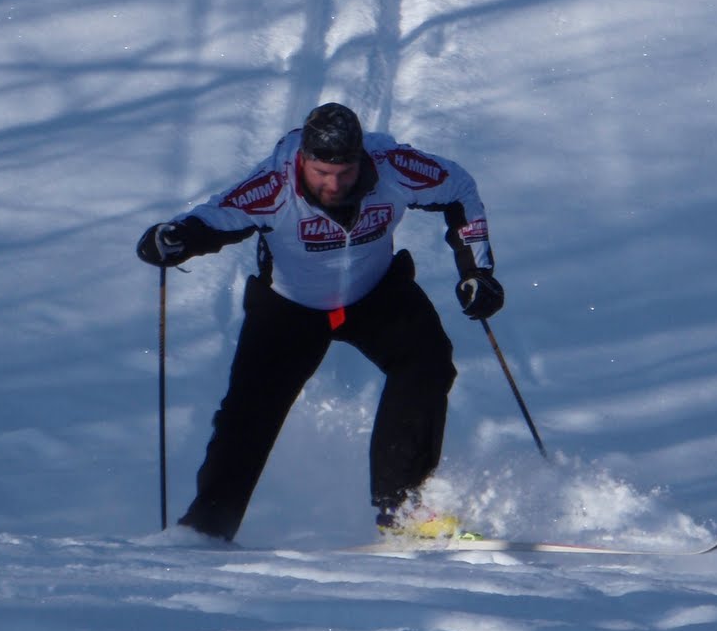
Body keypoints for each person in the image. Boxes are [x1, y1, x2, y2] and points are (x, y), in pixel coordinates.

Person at [137, 101, 505, 542]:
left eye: (345, 172)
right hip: (290, 308)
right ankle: (206, 531)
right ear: (302, 160)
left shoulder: (394, 167)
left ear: (361, 159)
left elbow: (459, 188)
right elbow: (213, 218)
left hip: (374, 293)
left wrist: (477, 272)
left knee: (428, 362)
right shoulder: (272, 186)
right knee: (248, 414)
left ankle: (403, 511)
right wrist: (173, 240)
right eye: (320, 172)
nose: (333, 183)